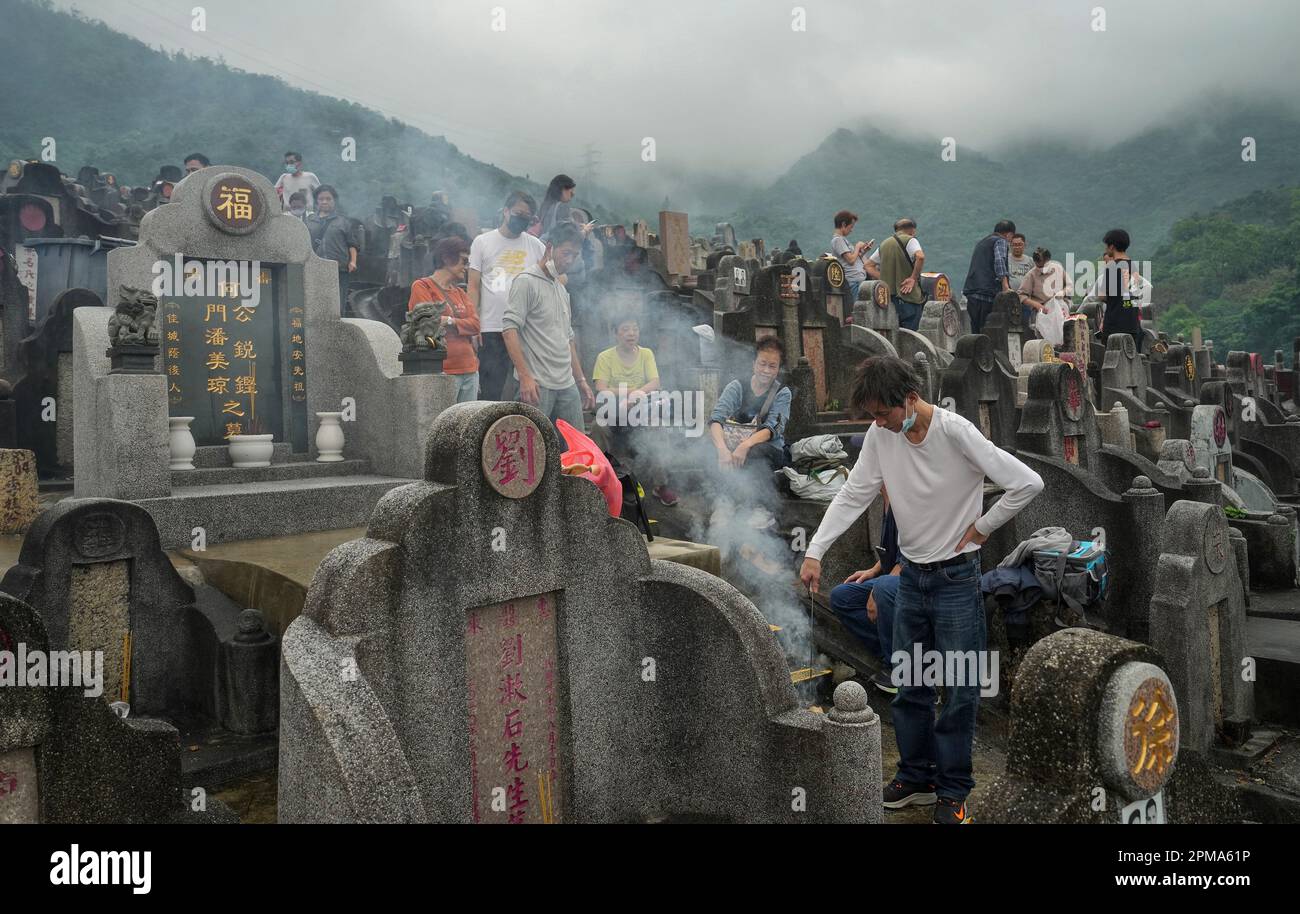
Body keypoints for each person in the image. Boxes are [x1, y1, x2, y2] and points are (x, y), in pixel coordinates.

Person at [798, 356, 1043, 824]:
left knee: (958, 689)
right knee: (910, 684)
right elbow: (854, 494)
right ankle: (916, 777)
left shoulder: (956, 432)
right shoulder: (880, 436)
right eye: (871, 415)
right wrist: (816, 550)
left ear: (909, 399)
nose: (878, 422)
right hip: (910, 577)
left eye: (882, 413)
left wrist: (984, 527)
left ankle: (953, 792)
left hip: (956, 579)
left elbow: (1027, 483)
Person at [502, 221, 595, 431]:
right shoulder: (526, 281)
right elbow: (509, 331)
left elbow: (567, 339)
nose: (570, 260)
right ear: (550, 247)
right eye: (566, 253)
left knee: (577, 450)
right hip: (537, 384)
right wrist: (525, 377)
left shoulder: (561, 289)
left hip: (566, 384)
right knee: (533, 449)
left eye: (575, 255)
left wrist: (580, 380)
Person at [591, 315, 678, 506]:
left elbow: (655, 382)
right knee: (598, 427)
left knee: (659, 429)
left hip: (642, 411)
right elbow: (601, 388)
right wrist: (629, 393)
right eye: (625, 329)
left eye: (635, 329)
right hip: (613, 410)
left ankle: (661, 485)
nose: (631, 333)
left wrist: (636, 396)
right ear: (615, 333)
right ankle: (599, 484)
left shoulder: (646, 354)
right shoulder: (605, 357)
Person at [469, 191, 546, 400]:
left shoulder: (536, 245)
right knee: (490, 390)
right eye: (519, 213)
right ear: (505, 211)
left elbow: (556, 277)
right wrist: (473, 322)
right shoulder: (482, 242)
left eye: (527, 217)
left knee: (529, 390)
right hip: (493, 328)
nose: (522, 219)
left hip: (527, 330)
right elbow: (473, 286)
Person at [829, 488, 902, 695]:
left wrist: (878, 588)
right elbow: (893, 550)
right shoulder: (885, 502)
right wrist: (874, 570)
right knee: (841, 597)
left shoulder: (909, 497)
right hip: (892, 575)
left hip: (920, 576)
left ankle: (898, 667)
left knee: (885, 591)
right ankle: (889, 648)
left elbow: (913, 554)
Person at [408, 236, 480, 402]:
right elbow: (428, 322)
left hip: (470, 369)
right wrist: (462, 324)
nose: (466, 267)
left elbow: (476, 325)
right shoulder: (422, 286)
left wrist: (449, 321)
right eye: (464, 261)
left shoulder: (460, 293)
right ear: (447, 258)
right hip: (442, 370)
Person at [1087, 229, 1144, 352]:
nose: (1106, 249)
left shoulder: (1111, 267)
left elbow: (1102, 296)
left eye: (1106, 246)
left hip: (1114, 323)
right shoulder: (1133, 266)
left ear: (1112, 247)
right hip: (1132, 323)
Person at [306, 185, 360, 315]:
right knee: (315, 301)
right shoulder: (310, 221)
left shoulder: (343, 222)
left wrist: (353, 261)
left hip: (339, 269)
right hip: (315, 267)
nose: (324, 202)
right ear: (316, 201)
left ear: (334, 201)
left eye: (328, 199)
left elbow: (352, 244)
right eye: (321, 199)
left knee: (337, 304)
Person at [864, 218, 925, 331]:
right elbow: (920, 257)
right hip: (909, 297)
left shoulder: (884, 244)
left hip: (889, 300)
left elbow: (868, 265)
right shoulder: (911, 240)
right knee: (911, 336)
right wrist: (912, 279)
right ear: (912, 230)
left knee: (894, 336)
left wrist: (883, 279)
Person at [961, 220, 1016, 335]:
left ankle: (975, 352)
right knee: (989, 331)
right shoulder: (1001, 241)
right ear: (1009, 234)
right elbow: (999, 261)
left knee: (976, 332)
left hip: (972, 293)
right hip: (987, 294)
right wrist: (1005, 286)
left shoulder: (982, 242)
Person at [1017, 247, 1073, 347]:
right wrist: (1037, 305)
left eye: (1044, 265)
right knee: (1045, 341)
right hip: (1042, 311)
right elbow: (1021, 295)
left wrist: (1063, 292)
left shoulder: (1058, 269)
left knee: (1065, 336)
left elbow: (1069, 285)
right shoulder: (1031, 275)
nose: (1042, 269)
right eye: (1039, 266)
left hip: (1060, 307)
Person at [830, 211, 873, 305]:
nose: (851, 230)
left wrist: (864, 251)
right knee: (858, 308)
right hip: (853, 281)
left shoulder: (843, 240)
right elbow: (851, 260)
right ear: (844, 224)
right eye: (851, 226)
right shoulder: (838, 240)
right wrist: (857, 246)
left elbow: (854, 258)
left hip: (858, 280)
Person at [536, 174, 576, 238]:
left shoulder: (545, 206)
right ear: (563, 190)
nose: (570, 198)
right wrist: (583, 231)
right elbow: (567, 234)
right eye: (571, 194)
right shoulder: (562, 207)